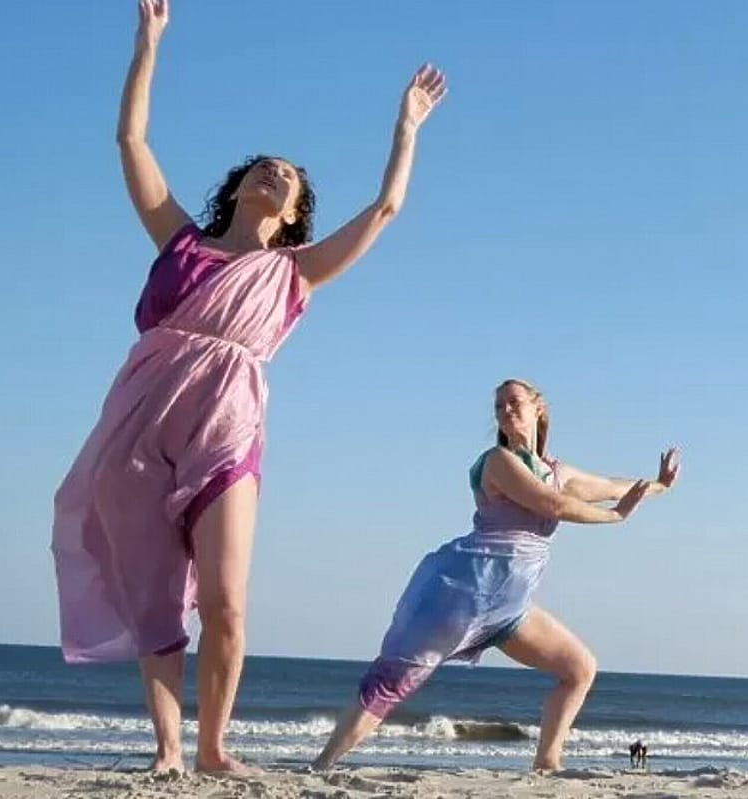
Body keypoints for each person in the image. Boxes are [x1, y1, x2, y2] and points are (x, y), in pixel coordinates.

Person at [50, 0, 445, 774]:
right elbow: (131, 140)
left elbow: (387, 209)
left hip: (227, 424)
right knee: (154, 595)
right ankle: (169, 750)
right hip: (139, 422)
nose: (275, 172)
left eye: (289, 176)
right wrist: (148, 42)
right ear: (236, 189)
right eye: (265, 165)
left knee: (226, 598)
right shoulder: (179, 241)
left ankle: (213, 745)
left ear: (293, 214)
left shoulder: (294, 271)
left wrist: (407, 127)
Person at [312, 379, 681, 772]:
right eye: (499, 406)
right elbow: (552, 505)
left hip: (510, 606)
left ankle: (547, 762)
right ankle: (323, 764)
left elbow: (613, 486)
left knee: (579, 668)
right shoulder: (497, 462)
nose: (505, 411)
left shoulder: (558, 472)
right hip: (465, 594)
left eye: (514, 402)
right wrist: (615, 517)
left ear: (538, 407)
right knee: (391, 685)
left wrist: (660, 485)